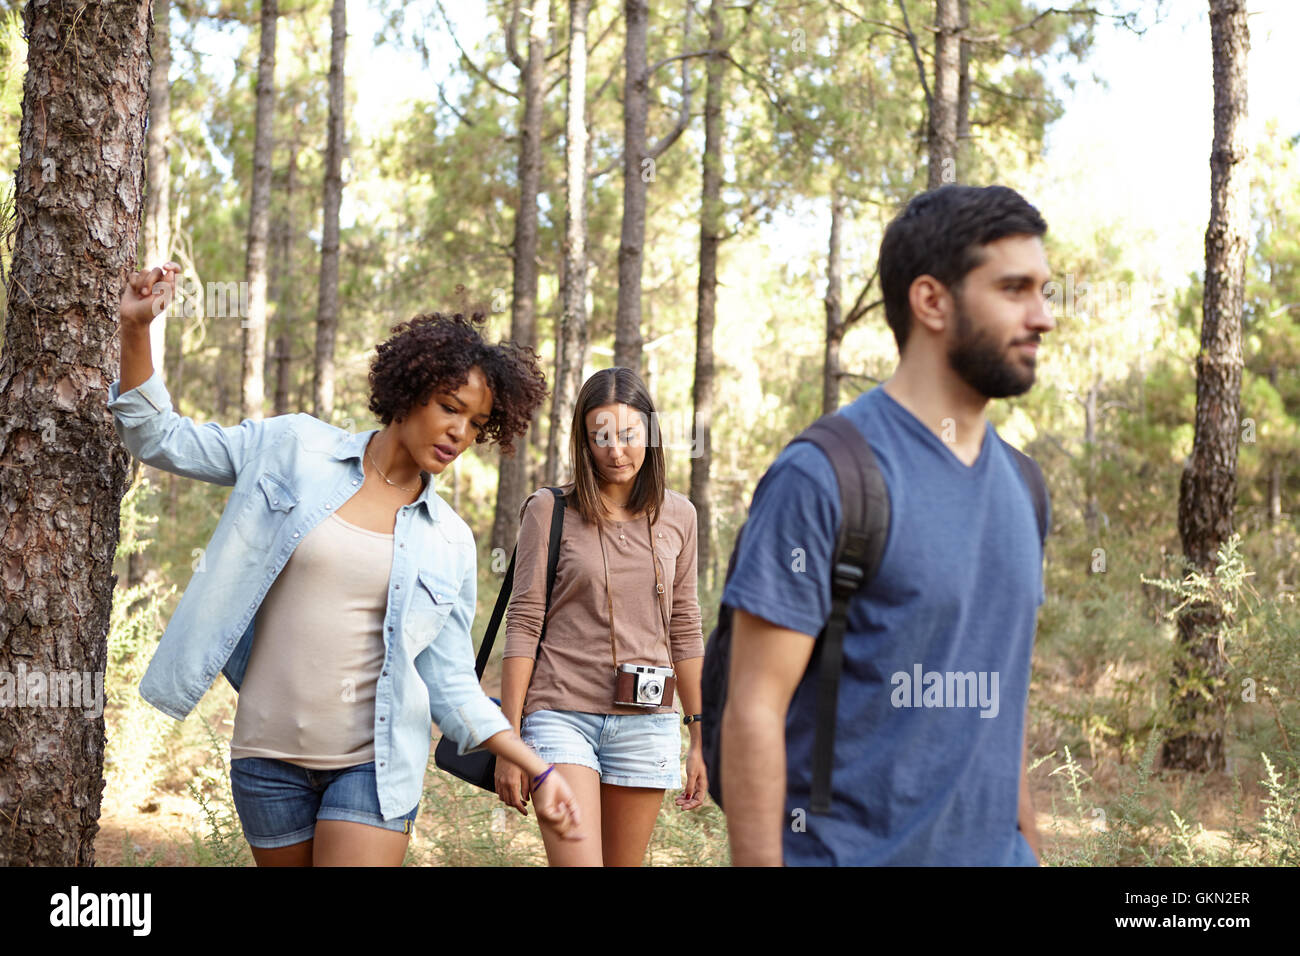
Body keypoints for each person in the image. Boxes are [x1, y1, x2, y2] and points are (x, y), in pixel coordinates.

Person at [111, 263, 582, 866]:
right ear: (409, 391)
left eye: (476, 423)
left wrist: (535, 768)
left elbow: (450, 680)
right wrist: (135, 331)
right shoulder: (293, 449)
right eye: (448, 407)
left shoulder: (451, 542)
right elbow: (160, 439)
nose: (460, 432)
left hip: (373, 765)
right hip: (265, 756)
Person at [720, 185, 1054, 866]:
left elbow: (1000, 696)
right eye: (1015, 289)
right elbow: (753, 709)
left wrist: (1029, 847)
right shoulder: (826, 476)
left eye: (1045, 290)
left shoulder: (1025, 487)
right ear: (931, 301)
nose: (1043, 316)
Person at [492, 367, 708, 865]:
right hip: (560, 714)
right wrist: (507, 741)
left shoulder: (680, 516)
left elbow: (686, 628)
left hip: (647, 719)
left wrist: (699, 735)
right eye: (601, 437)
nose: (616, 451)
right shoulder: (551, 510)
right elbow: (524, 622)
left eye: (630, 435)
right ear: (583, 441)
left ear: (650, 435)